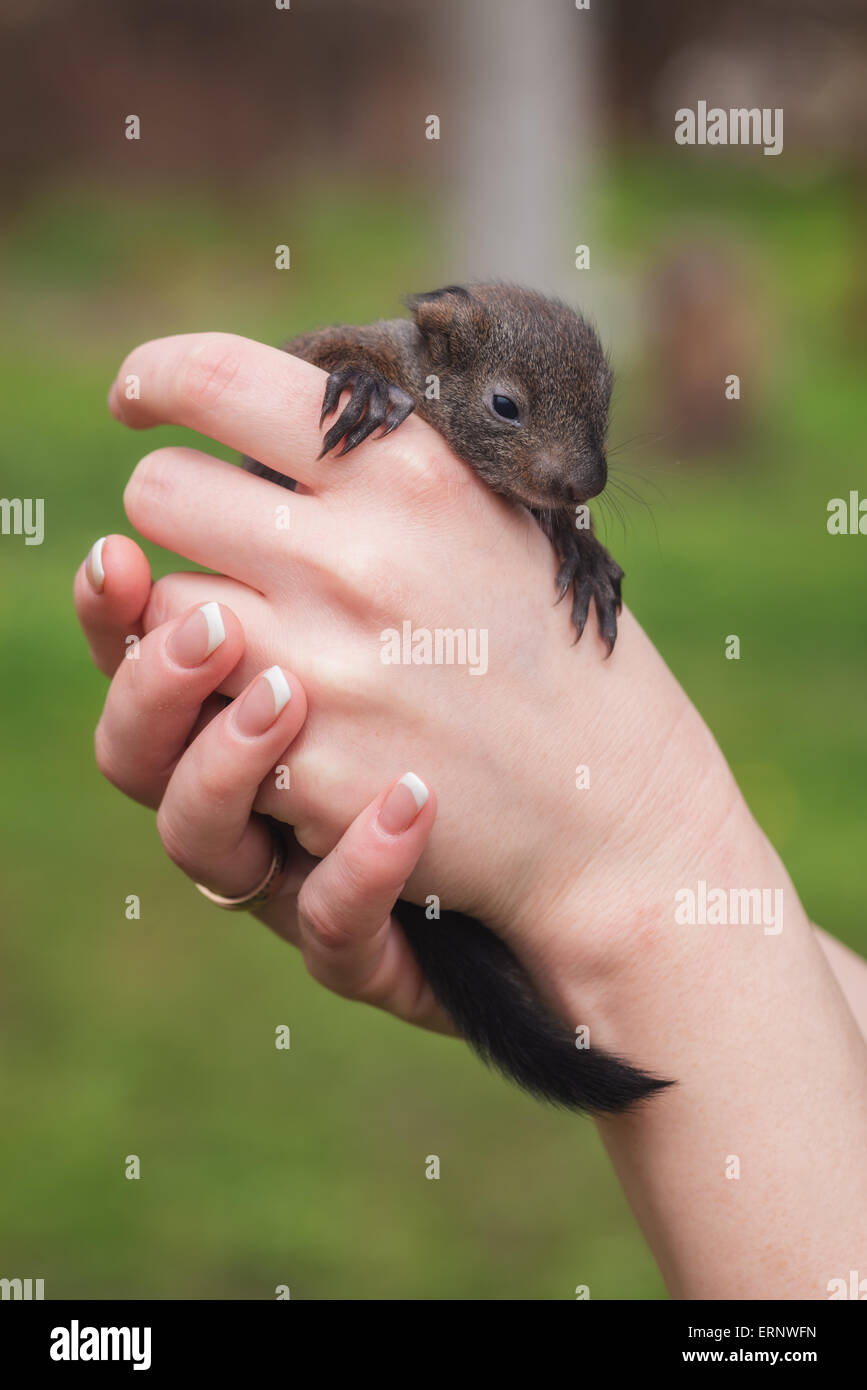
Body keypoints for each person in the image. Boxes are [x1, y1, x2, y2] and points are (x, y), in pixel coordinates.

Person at [75, 332, 867, 1299]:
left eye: (586, 446)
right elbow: (325, 357)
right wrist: (590, 928)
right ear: (440, 361)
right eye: (510, 417)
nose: (570, 476)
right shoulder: (387, 367)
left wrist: (628, 856)